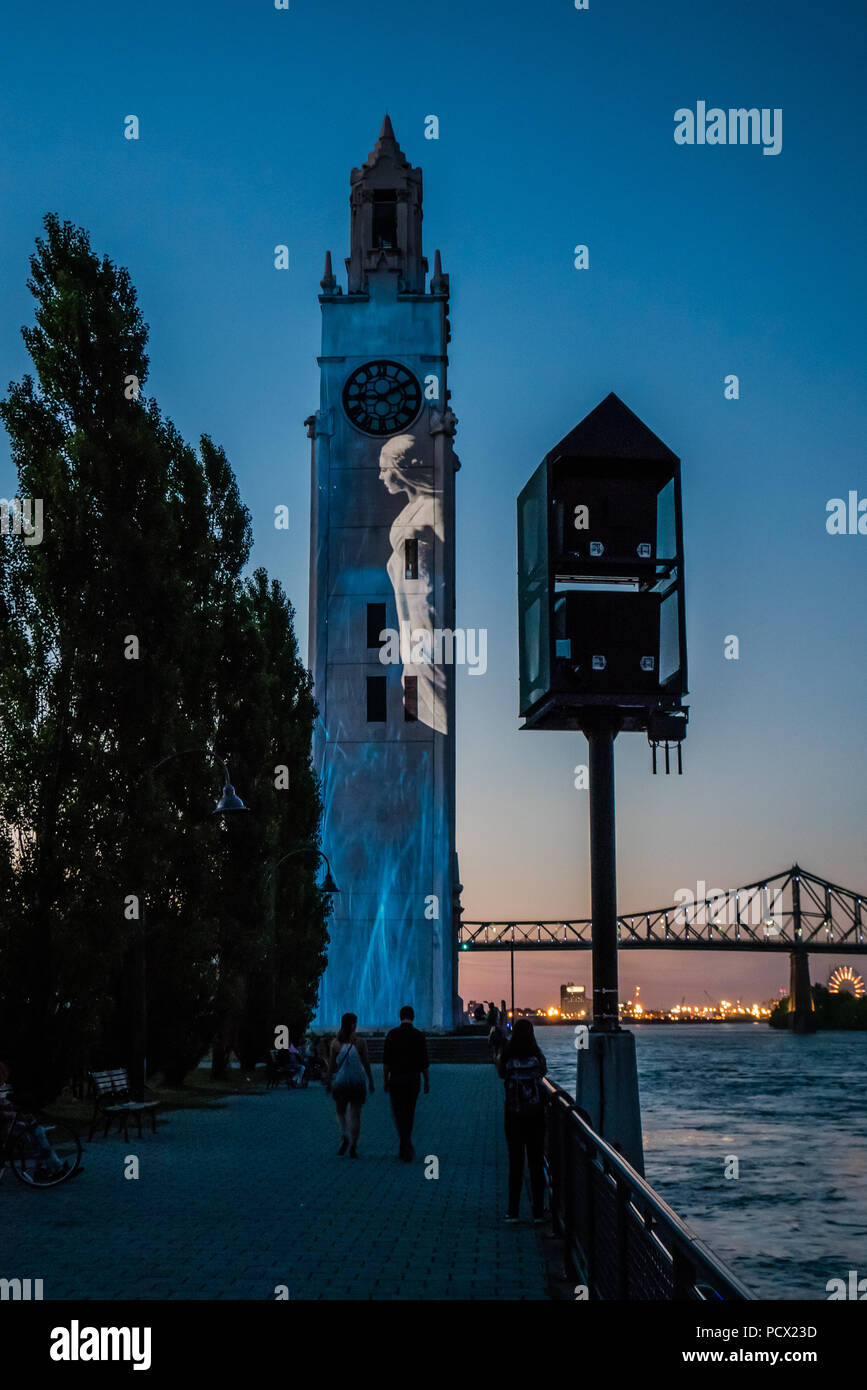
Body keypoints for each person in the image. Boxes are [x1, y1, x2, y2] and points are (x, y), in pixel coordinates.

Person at [497, 1019, 547, 1224]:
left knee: (515, 1163)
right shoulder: (537, 1054)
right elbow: (543, 1071)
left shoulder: (508, 1053)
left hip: (514, 1115)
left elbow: (501, 1073)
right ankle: (537, 1212)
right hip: (536, 1116)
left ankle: (513, 1211)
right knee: (536, 1164)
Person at [382, 1005, 429, 1162]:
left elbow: (386, 1061)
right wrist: (426, 1081)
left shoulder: (392, 1035)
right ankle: (406, 1144)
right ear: (413, 1017)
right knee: (410, 1112)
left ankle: (405, 1144)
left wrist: (385, 1080)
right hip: (413, 1079)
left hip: (396, 1079)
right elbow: (424, 1062)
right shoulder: (419, 1035)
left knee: (398, 1112)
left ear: (400, 1016)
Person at [326, 1014, 374, 1158]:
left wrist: (328, 1082)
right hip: (357, 1082)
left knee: (340, 1111)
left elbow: (331, 1067)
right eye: (355, 1023)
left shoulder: (335, 1043)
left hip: (341, 1082)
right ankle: (353, 1144)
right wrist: (370, 1081)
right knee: (356, 1114)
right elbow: (366, 1063)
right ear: (353, 1025)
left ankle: (344, 1134)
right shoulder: (360, 1042)